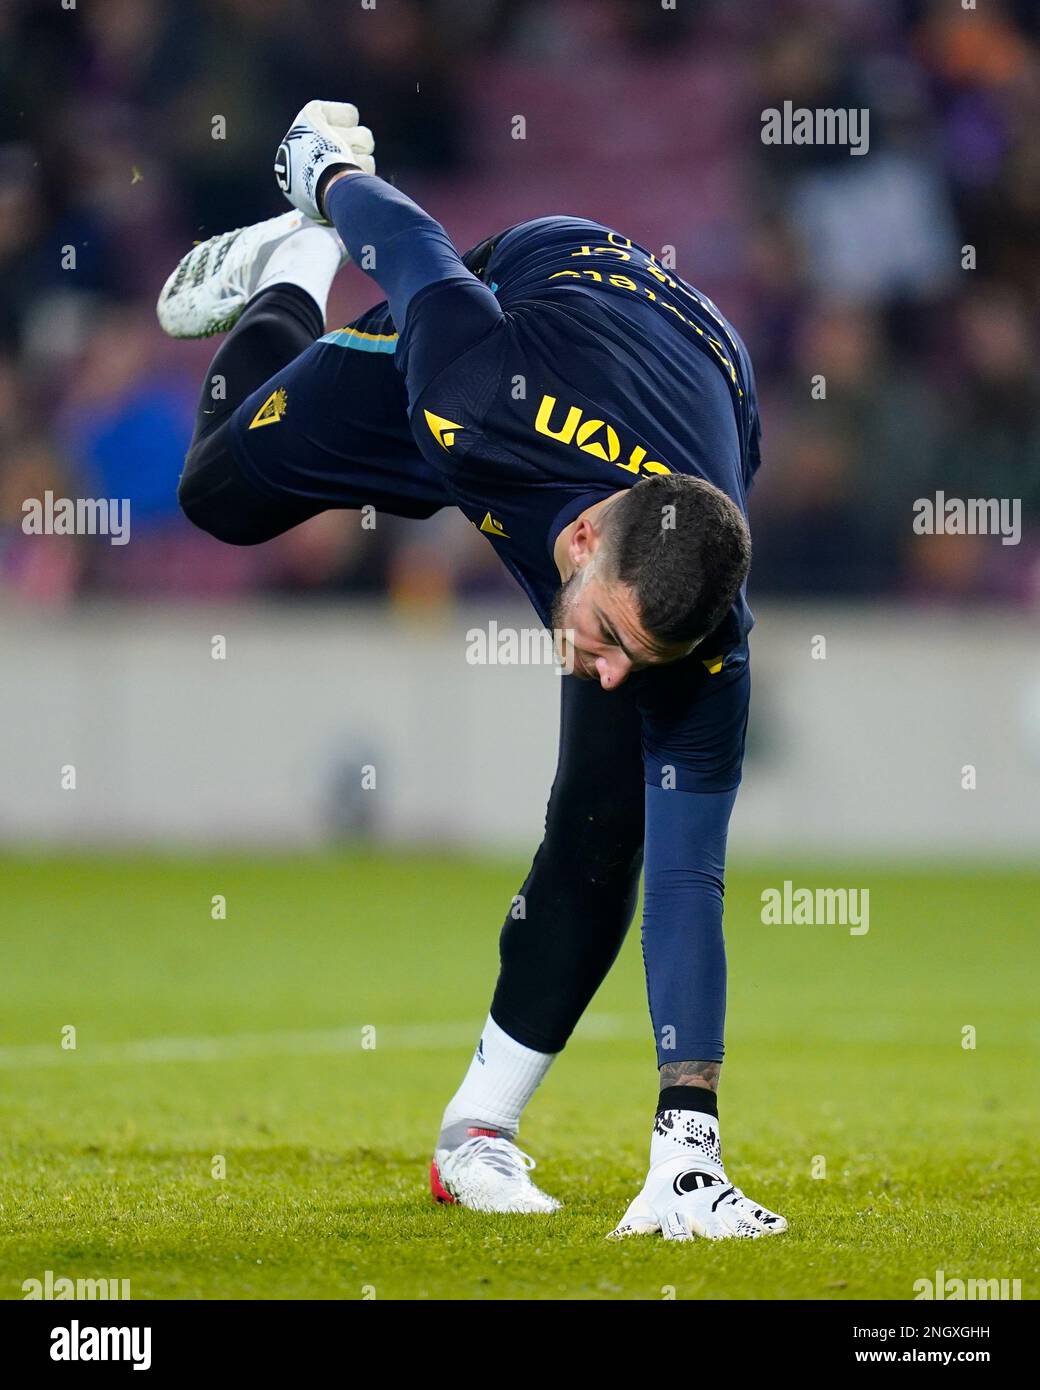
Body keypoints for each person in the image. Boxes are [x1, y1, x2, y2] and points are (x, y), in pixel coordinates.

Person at [158, 101, 785, 1241]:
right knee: (220, 493)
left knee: (609, 818)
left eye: (635, 655)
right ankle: (286, 273)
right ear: (585, 541)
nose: (604, 671)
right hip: (543, 286)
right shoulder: (473, 388)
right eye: (602, 635)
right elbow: (415, 250)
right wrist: (330, 169)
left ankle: (476, 1134)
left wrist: (687, 1134)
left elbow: (690, 882)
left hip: (702, 373)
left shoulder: (704, 625)